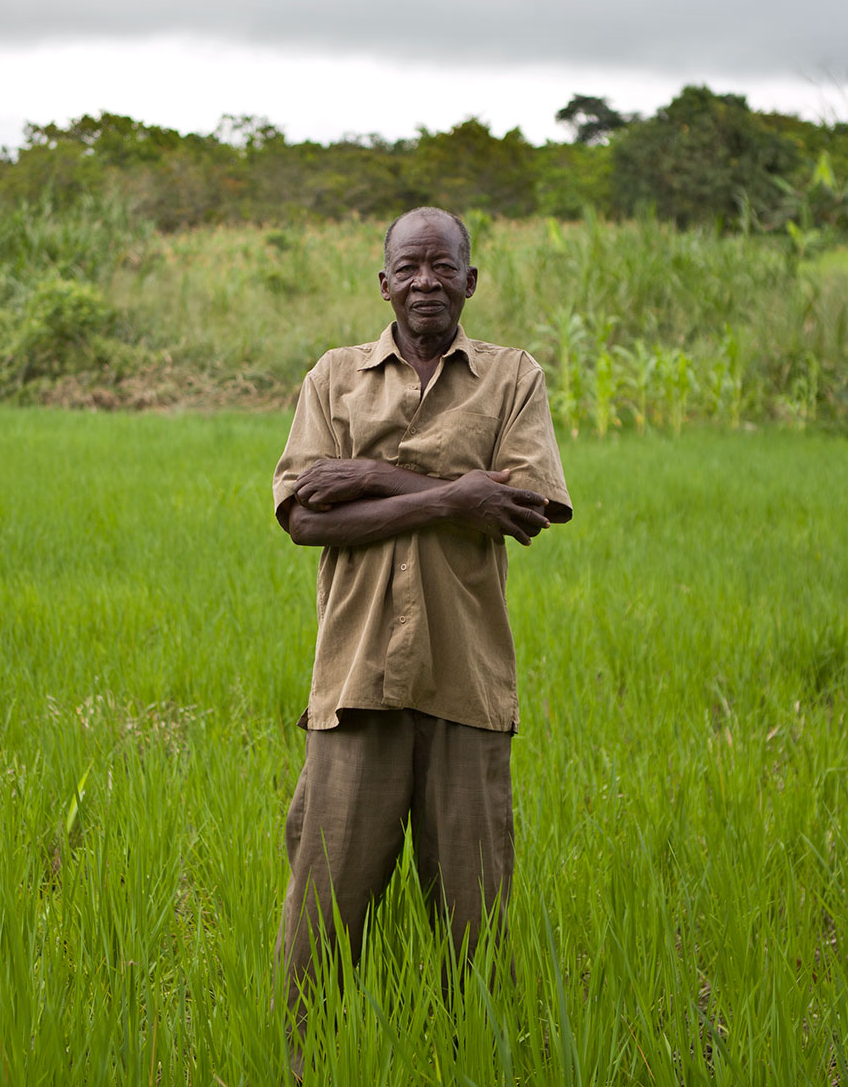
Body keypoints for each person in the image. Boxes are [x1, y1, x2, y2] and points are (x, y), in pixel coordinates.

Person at [270, 205, 573, 1069]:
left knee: (475, 922)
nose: (426, 283)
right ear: (384, 281)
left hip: (466, 684)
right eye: (409, 268)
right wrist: (449, 497)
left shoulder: (513, 379)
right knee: (320, 921)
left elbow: (520, 507)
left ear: (471, 281)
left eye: (444, 268)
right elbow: (303, 518)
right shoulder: (335, 377)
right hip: (356, 680)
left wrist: (367, 478)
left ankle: (466, 1062)